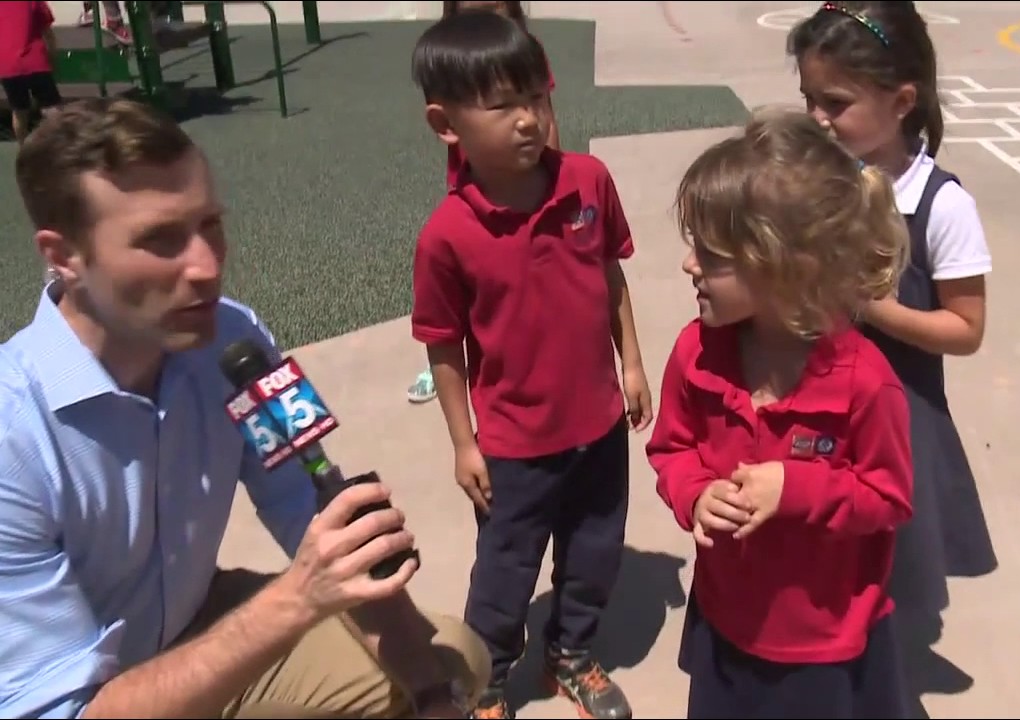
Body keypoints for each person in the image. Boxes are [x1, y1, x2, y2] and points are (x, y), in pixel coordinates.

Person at [0, 97, 490, 719]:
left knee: (453, 662)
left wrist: (429, 694)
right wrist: (295, 600)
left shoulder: (236, 341)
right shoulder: (12, 438)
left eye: (210, 224)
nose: (207, 267)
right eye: (159, 240)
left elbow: (311, 501)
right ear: (64, 256)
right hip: (93, 691)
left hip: (191, 618)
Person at [408, 11, 650, 720]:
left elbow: (610, 276)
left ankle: (571, 655)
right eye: (503, 104)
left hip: (599, 425)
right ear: (445, 123)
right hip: (514, 448)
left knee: (596, 553)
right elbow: (444, 346)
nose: (528, 120)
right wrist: (463, 442)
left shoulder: (588, 182)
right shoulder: (446, 237)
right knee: (504, 574)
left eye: (537, 97)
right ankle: (486, 677)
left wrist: (631, 364)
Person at [646, 107, 914, 719]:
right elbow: (671, 448)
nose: (691, 265)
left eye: (712, 255)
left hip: (824, 647)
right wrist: (693, 493)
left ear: (785, 266)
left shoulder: (865, 384)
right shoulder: (697, 352)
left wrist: (797, 488)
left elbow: (890, 497)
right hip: (725, 619)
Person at [786, 0, 999, 706]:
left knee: (886, 580)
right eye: (809, 100)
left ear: (902, 101)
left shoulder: (937, 203)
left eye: (837, 103)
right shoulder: (818, 183)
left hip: (896, 426)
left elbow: (965, 328)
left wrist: (871, 307)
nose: (818, 118)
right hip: (814, 413)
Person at [407, 0, 562, 405]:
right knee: (483, 284)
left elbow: (547, 112)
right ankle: (456, 367)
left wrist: (554, 175)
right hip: (478, 194)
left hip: (533, 189)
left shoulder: (528, 51)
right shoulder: (443, 236)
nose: (526, 117)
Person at [0, 1, 63, 144]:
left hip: (8, 65)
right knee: (52, 109)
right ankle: (58, 148)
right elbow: (47, 32)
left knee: (19, 110)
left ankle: (23, 149)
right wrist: (54, 59)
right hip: (35, 61)